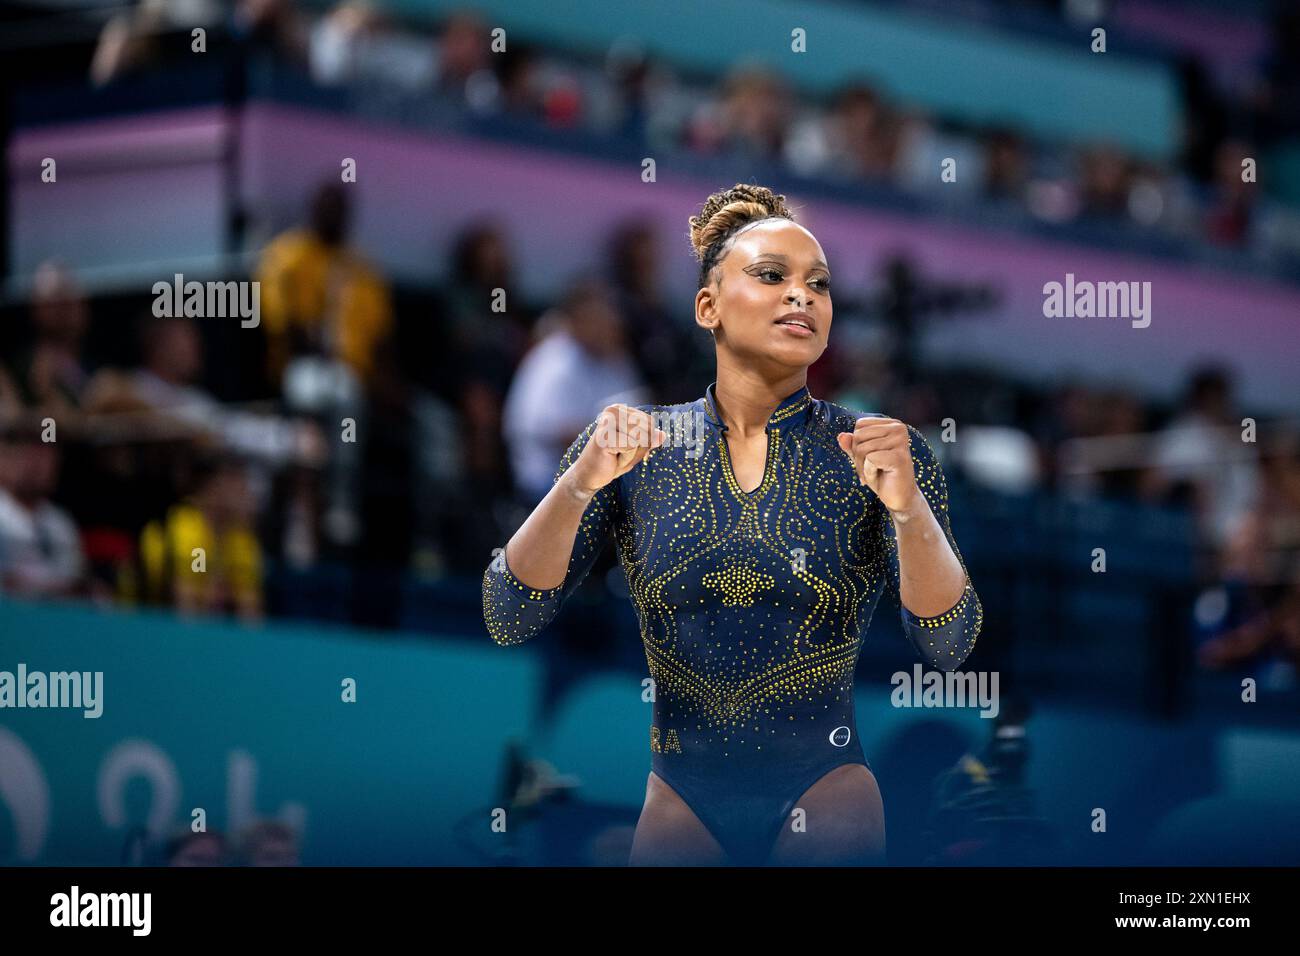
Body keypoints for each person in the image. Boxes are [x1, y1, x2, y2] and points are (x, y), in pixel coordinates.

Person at [483, 184, 982, 865]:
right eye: (772, 276)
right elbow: (507, 612)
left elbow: (950, 643)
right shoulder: (638, 445)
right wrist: (577, 485)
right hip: (681, 800)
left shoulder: (876, 451)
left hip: (826, 787)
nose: (801, 295)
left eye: (819, 284)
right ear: (708, 306)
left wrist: (910, 509)